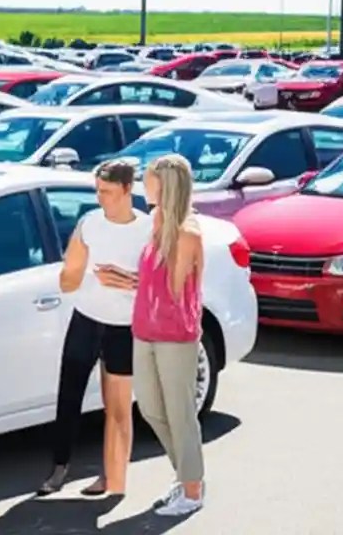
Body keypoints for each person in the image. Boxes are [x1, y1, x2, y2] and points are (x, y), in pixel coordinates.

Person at [39, 159, 152, 497]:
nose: (101, 198)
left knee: (117, 408)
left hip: (124, 327)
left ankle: (112, 477)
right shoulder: (90, 224)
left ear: (128, 189)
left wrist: (130, 280)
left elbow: (158, 281)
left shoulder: (148, 230)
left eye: (108, 192)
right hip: (87, 319)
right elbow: (66, 280)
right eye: (98, 191)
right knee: (69, 394)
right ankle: (59, 468)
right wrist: (96, 277)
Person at [133, 154, 206, 516]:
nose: (143, 186)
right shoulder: (156, 221)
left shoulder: (188, 232)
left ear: (166, 186)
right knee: (149, 406)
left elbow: (175, 292)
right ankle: (188, 474)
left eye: (148, 180)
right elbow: (151, 280)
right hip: (145, 330)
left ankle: (192, 490)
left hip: (175, 334)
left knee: (180, 412)